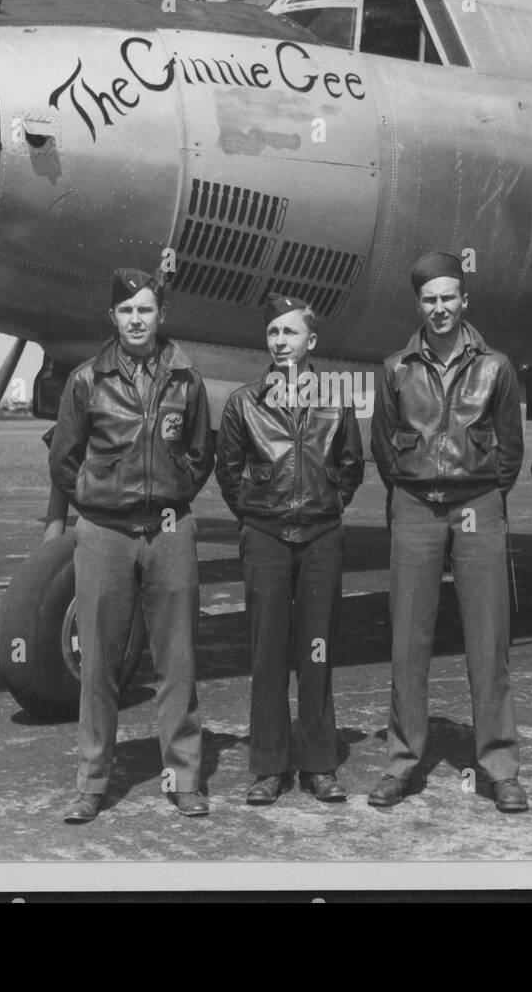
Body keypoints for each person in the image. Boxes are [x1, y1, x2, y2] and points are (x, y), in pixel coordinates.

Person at [48, 267, 215, 822]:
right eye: (126, 311)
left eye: (145, 310)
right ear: (112, 317)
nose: (137, 320)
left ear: (160, 314)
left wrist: (171, 492)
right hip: (103, 534)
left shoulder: (187, 379)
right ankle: (92, 783)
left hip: (170, 529)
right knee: (98, 663)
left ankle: (185, 778)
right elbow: (64, 460)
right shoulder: (84, 381)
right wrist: (99, 502)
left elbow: (199, 453)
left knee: (178, 659)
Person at [367, 252, 528, 813]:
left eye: (448, 298)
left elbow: (510, 449)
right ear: (419, 305)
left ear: (465, 301)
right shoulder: (395, 369)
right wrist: (417, 489)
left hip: (479, 503)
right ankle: (401, 764)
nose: (439, 308)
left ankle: (501, 766)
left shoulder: (497, 368)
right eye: (429, 300)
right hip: (414, 505)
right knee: (408, 640)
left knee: (489, 639)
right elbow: (384, 448)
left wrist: (480, 491)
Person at [215, 294, 364, 805]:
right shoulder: (243, 403)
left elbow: (351, 467)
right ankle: (269, 767)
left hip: (321, 537)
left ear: (311, 341)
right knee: (268, 653)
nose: (281, 342)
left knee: (317, 651)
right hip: (266, 538)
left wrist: (326, 503)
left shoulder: (336, 399)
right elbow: (228, 474)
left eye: (290, 333)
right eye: (274, 332)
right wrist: (259, 513)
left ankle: (320, 764)